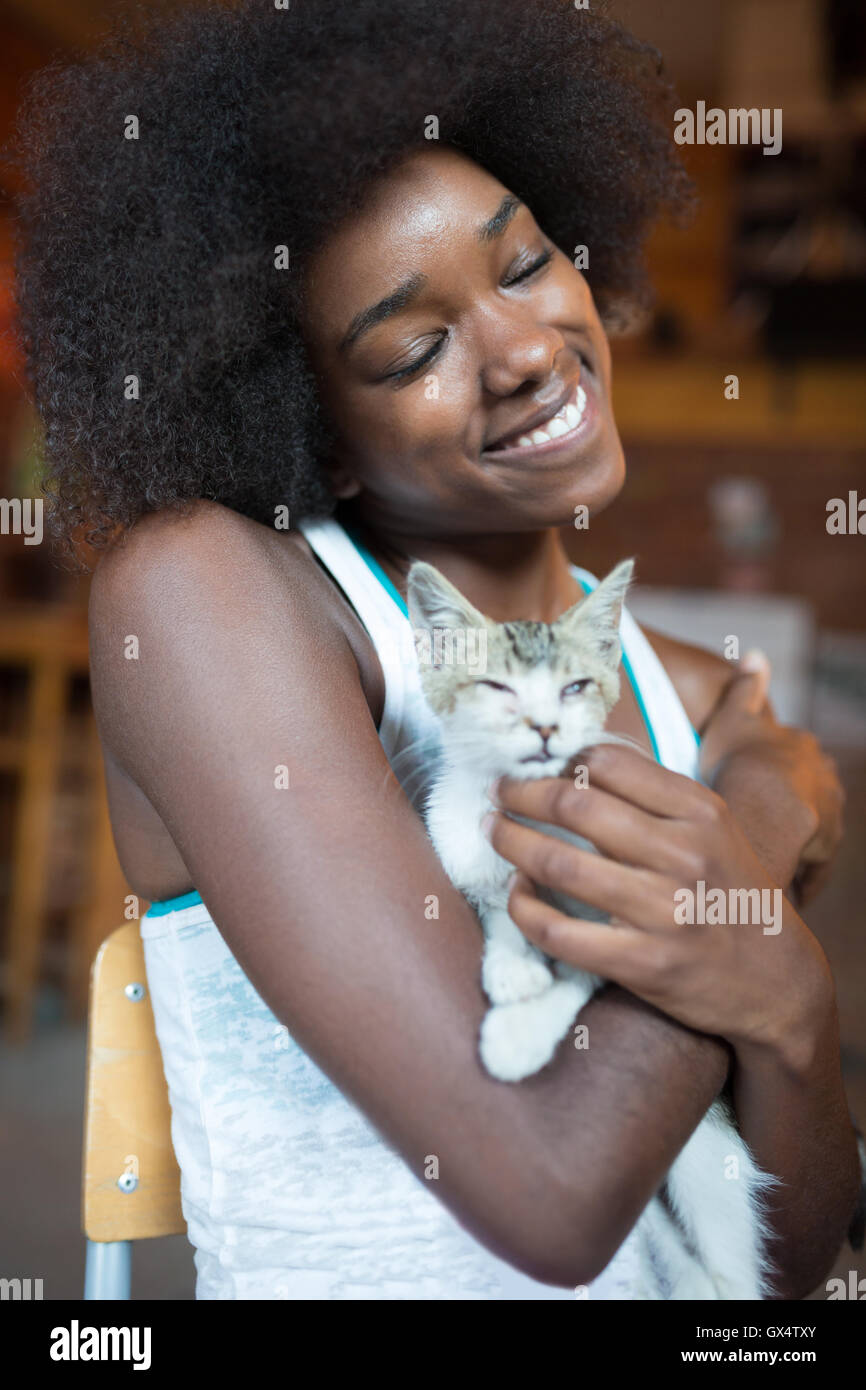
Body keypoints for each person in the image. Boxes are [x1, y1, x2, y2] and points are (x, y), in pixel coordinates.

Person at [14, 0, 861, 1299]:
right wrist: (751, 848)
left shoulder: (692, 688)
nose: (526, 352)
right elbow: (551, 1194)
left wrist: (794, 1012)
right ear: (320, 433)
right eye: (414, 347)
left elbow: (781, 1272)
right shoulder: (208, 590)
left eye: (525, 266)